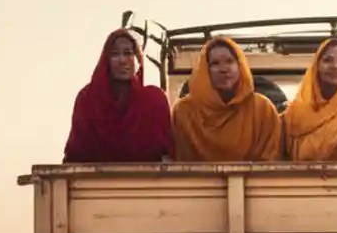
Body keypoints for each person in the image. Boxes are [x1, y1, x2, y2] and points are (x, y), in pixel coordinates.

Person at [63, 29, 173, 163]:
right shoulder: (87, 100)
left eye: (128, 53)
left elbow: (166, 157)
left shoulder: (154, 101)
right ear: (106, 60)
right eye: (115, 54)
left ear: (137, 59)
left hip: (147, 177)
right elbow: (75, 155)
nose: (122, 60)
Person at [171, 36, 283, 162]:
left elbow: (271, 161)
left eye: (229, 61)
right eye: (215, 63)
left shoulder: (262, 109)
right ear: (205, 70)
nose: (223, 69)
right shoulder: (184, 111)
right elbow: (180, 162)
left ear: (240, 66)